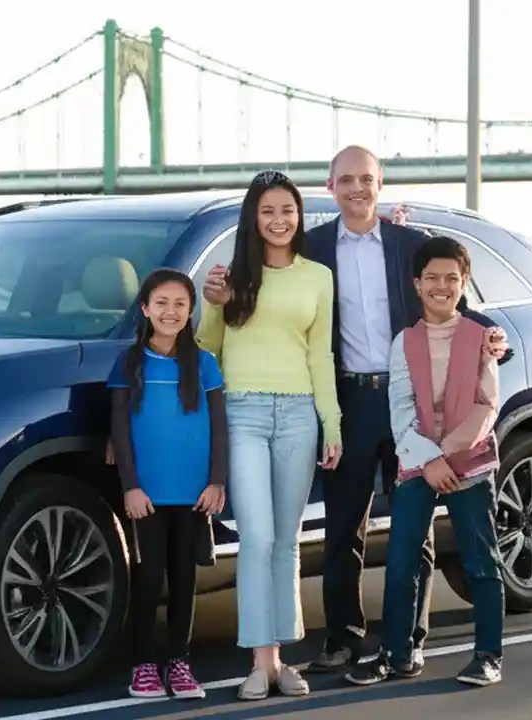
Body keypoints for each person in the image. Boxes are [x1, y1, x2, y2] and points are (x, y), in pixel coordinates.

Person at [290, 145, 509, 674]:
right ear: (330, 186)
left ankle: (409, 641)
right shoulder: (311, 248)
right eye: (346, 179)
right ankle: (343, 638)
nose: (357, 188)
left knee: (416, 523)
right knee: (344, 525)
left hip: (417, 400)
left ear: (380, 183)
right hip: (352, 399)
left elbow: (450, 300)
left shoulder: (410, 243)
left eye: (365, 178)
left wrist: (493, 336)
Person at [197, 170, 342, 701]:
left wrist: (332, 423)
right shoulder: (229, 276)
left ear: (299, 216)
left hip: (299, 414)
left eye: (287, 210)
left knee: (286, 540)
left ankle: (280, 661)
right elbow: (207, 350)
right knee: (256, 538)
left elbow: (320, 354)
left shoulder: (318, 277)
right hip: (243, 414)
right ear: (252, 219)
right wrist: (214, 305)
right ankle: (258, 664)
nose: (279, 220)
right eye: (268, 211)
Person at [345, 235, 506, 687]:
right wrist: (429, 459)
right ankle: (396, 653)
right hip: (417, 461)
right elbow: (400, 408)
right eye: (432, 278)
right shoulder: (405, 342)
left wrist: (448, 456)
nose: (441, 286)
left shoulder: (481, 338)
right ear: (417, 284)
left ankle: (488, 656)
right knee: (401, 562)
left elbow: (486, 405)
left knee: (480, 561)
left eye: (451, 278)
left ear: (463, 282)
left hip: (469, 463)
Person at [107, 268, 228, 701]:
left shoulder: (204, 363)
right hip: (147, 496)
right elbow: (120, 431)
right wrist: (130, 486)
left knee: (183, 578)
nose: (170, 312)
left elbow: (219, 428)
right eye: (161, 303)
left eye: (180, 304)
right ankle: (143, 665)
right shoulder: (129, 364)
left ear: (191, 310)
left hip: (193, 495)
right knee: (147, 577)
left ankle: (179, 661)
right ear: (145, 308)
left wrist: (216, 482)